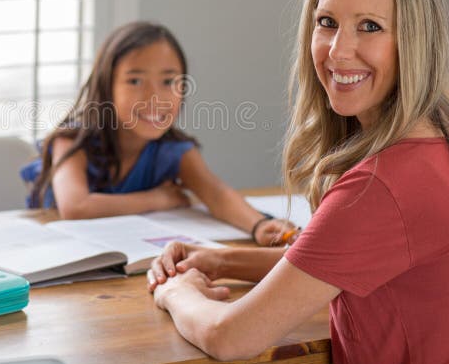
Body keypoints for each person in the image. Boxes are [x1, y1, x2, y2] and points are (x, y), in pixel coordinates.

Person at [147, 0, 449, 364]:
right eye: (327, 22)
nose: (339, 50)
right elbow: (336, 265)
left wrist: (175, 293)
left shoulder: (383, 186)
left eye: (370, 26)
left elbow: (230, 337)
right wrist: (221, 259)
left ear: (415, 43)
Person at [21, 21, 291, 245]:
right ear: (106, 86)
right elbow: (76, 208)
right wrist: (156, 199)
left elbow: (217, 194)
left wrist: (259, 225)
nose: (154, 97)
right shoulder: (72, 142)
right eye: (135, 81)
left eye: (168, 81)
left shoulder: (173, 151)